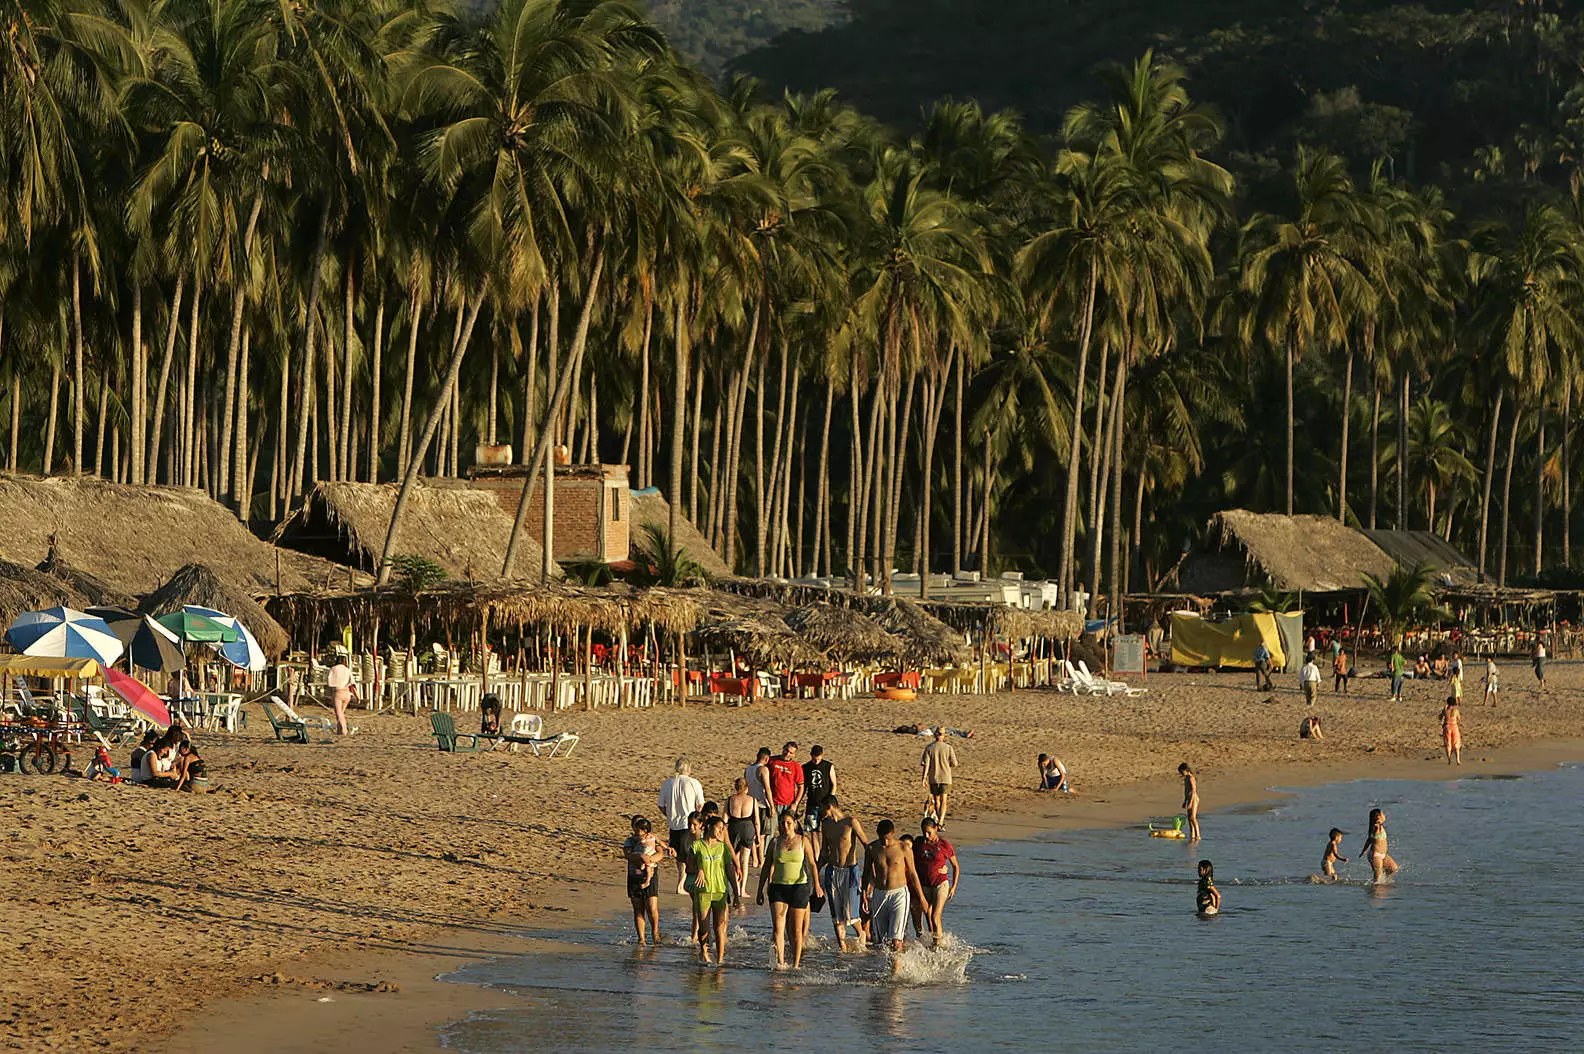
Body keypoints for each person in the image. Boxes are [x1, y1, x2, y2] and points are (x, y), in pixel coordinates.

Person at [756, 810, 822, 969]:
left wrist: (817, 885)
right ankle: (780, 962)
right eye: (782, 823)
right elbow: (766, 866)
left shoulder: (803, 841)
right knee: (778, 928)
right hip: (778, 887)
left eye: (788, 823)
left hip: (799, 887)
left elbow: (812, 864)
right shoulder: (775, 842)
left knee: (796, 929)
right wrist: (760, 889)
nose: (785, 826)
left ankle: (796, 964)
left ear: (795, 824)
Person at [861, 819, 926, 973]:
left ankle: (896, 976)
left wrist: (922, 897)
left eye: (888, 838)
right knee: (883, 942)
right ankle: (894, 968)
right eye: (882, 838)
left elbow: (913, 873)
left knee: (896, 940)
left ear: (893, 834)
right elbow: (866, 873)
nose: (885, 841)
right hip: (879, 894)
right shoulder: (872, 848)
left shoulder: (903, 848)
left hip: (899, 894)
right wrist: (864, 894)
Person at [818, 798, 869, 951]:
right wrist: (815, 869)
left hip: (850, 871)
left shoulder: (851, 822)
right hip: (832, 871)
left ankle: (862, 938)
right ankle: (843, 949)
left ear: (829, 807)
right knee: (837, 917)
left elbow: (867, 845)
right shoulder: (826, 825)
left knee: (851, 914)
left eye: (821, 808)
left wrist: (871, 872)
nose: (820, 812)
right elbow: (824, 851)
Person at [686, 816, 738, 965]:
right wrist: (699, 869)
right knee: (704, 927)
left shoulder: (723, 848)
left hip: (720, 891)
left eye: (723, 828)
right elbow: (689, 867)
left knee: (719, 926)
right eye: (718, 827)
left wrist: (736, 893)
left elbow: (730, 870)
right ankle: (704, 951)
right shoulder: (696, 845)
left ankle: (720, 959)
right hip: (703, 891)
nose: (721, 831)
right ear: (709, 827)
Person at [658, 758, 705, 894]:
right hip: (688, 823)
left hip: (674, 824)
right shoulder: (693, 783)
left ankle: (681, 883)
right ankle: (683, 884)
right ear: (689, 769)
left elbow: (661, 805)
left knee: (679, 855)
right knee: (688, 854)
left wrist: (669, 815)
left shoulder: (668, 783)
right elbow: (700, 805)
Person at [911, 818, 959, 947]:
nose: (926, 836)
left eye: (929, 833)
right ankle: (923, 939)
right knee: (920, 911)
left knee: (935, 915)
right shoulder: (918, 844)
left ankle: (937, 945)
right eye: (924, 833)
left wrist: (953, 887)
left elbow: (955, 866)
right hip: (924, 885)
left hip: (940, 883)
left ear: (936, 829)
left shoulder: (944, 845)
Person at [623, 816, 668, 944]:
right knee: (638, 909)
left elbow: (660, 852)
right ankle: (641, 939)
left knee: (652, 907)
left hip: (651, 874)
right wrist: (641, 857)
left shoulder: (651, 839)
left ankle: (655, 934)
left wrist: (650, 859)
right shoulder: (629, 841)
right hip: (634, 876)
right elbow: (627, 855)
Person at [724, 778, 760, 899]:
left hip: (734, 828)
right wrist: (758, 836)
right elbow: (757, 821)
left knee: (735, 859)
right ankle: (742, 889)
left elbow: (725, 818)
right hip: (748, 828)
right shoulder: (752, 800)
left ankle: (735, 886)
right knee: (745, 860)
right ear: (746, 788)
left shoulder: (730, 800)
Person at [920, 728, 959, 826]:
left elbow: (926, 764)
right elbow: (954, 763)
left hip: (934, 777)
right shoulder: (948, 748)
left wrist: (924, 778)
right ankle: (941, 821)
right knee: (944, 800)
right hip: (946, 777)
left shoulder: (929, 748)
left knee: (937, 800)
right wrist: (946, 764)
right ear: (944, 735)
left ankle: (938, 820)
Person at [766, 742, 805, 828]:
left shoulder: (796, 767)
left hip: (788, 805)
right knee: (769, 831)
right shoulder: (771, 761)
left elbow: (801, 786)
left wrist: (795, 803)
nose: (787, 754)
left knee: (787, 831)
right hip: (772, 803)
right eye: (786, 750)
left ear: (794, 755)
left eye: (791, 753)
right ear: (783, 748)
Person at [744, 747, 773, 861]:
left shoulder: (748, 769)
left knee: (753, 833)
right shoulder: (763, 769)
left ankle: (755, 858)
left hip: (750, 803)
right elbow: (767, 789)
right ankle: (761, 859)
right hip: (761, 804)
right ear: (766, 758)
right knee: (761, 834)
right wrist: (772, 806)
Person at [803, 745, 836, 838]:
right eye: (814, 758)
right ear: (811, 755)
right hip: (812, 803)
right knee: (813, 831)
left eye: (818, 758)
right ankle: (816, 852)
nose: (816, 761)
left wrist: (830, 800)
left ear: (822, 755)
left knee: (828, 830)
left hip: (826, 804)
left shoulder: (828, 766)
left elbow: (834, 784)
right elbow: (803, 787)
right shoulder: (806, 767)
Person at [1359, 808, 1399, 884]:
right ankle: (1375, 892)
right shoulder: (1376, 827)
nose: (1384, 815)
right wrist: (1364, 851)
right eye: (1382, 814)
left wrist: (1363, 851)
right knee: (1377, 878)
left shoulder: (1380, 826)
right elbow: (1370, 838)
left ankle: (1384, 883)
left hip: (1383, 855)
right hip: (1375, 855)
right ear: (1378, 817)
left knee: (1394, 869)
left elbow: (1369, 840)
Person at [325, 656, 358, 736]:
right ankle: (339, 730)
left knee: (339, 713)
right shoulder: (347, 670)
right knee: (341, 713)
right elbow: (352, 684)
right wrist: (357, 696)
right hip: (347, 693)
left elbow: (329, 681)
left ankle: (344, 730)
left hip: (338, 692)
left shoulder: (333, 669)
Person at [1179, 762, 1200, 841]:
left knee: (1193, 817)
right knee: (1189, 818)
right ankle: (1192, 834)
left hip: (1194, 798)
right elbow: (1186, 791)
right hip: (1188, 798)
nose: (1181, 774)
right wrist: (1185, 801)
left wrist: (1190, 802)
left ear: (1186, 770)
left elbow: (1193, 790)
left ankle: (1198, 835)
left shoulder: (1191, 778)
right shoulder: (1186, 778)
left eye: (1182, 772)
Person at [1441, 696, 1462, 766]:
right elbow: (1459, 718)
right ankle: (1458, 760)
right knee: (1456, 743)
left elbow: (1440, 717)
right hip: (1454, 726)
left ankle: (1449, 759)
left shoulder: (1446, 710)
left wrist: (1443, 710)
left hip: (1447, 727)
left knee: (1448, 743)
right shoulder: (1456, 711)